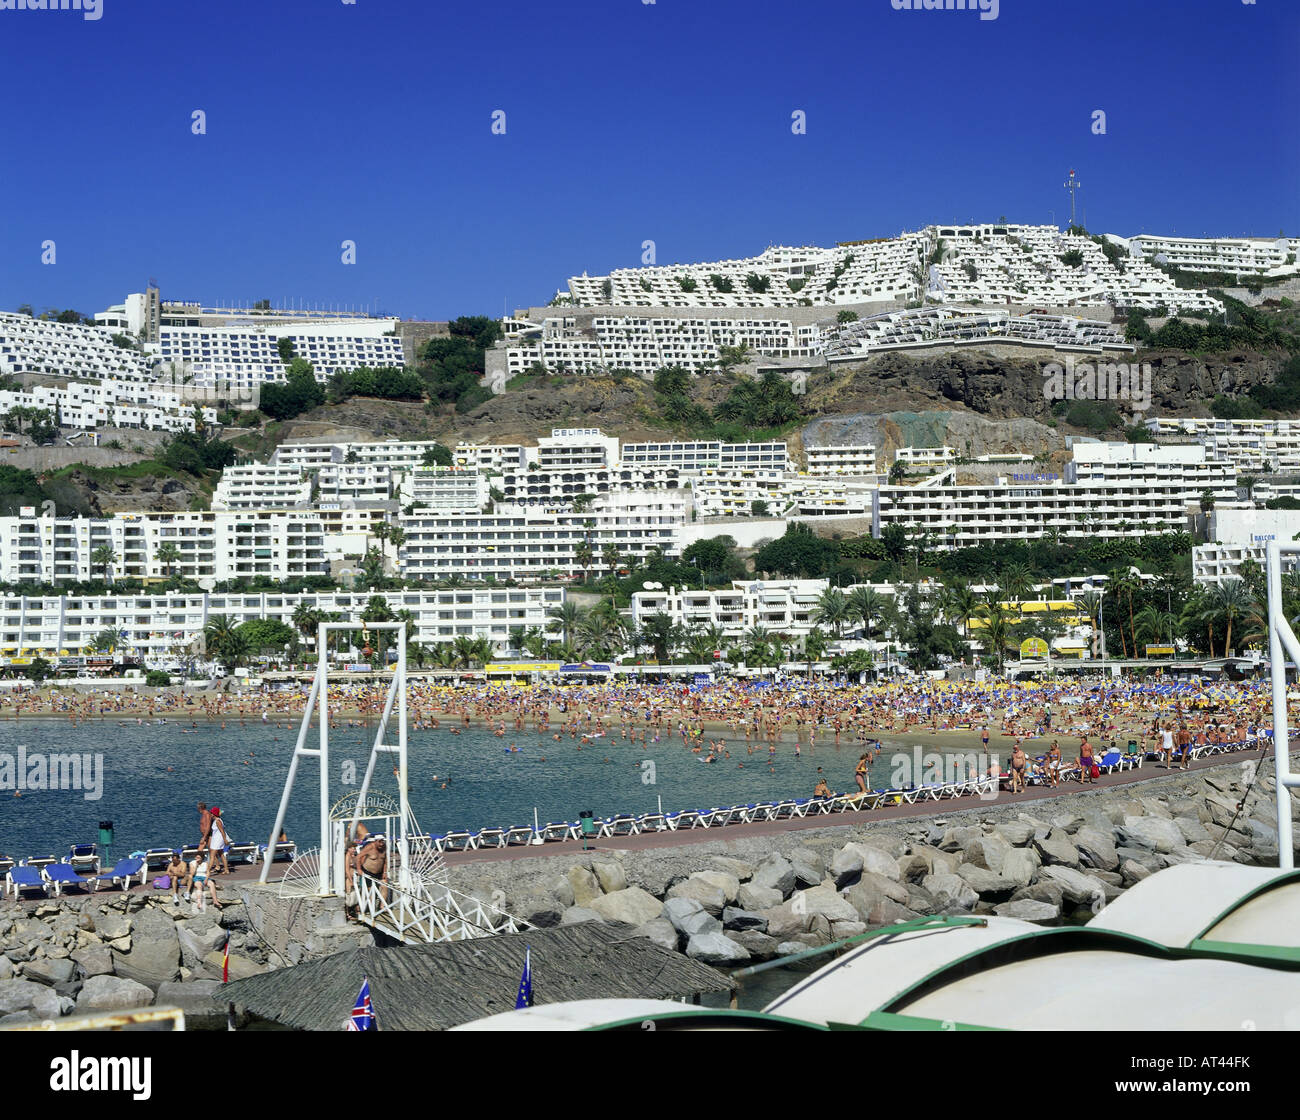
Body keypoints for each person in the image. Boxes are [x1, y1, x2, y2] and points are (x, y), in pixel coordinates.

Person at [209, 808, 230, 874]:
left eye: (211, 813)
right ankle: (226, 870)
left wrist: (225, 840)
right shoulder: (215, 820)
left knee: (212, 855)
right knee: (221, 854)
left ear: (214, 814)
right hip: (216, 839)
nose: (210, 814)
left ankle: (207, 871)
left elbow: (222, 831)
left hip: (218, 840)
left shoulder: (218, 821)